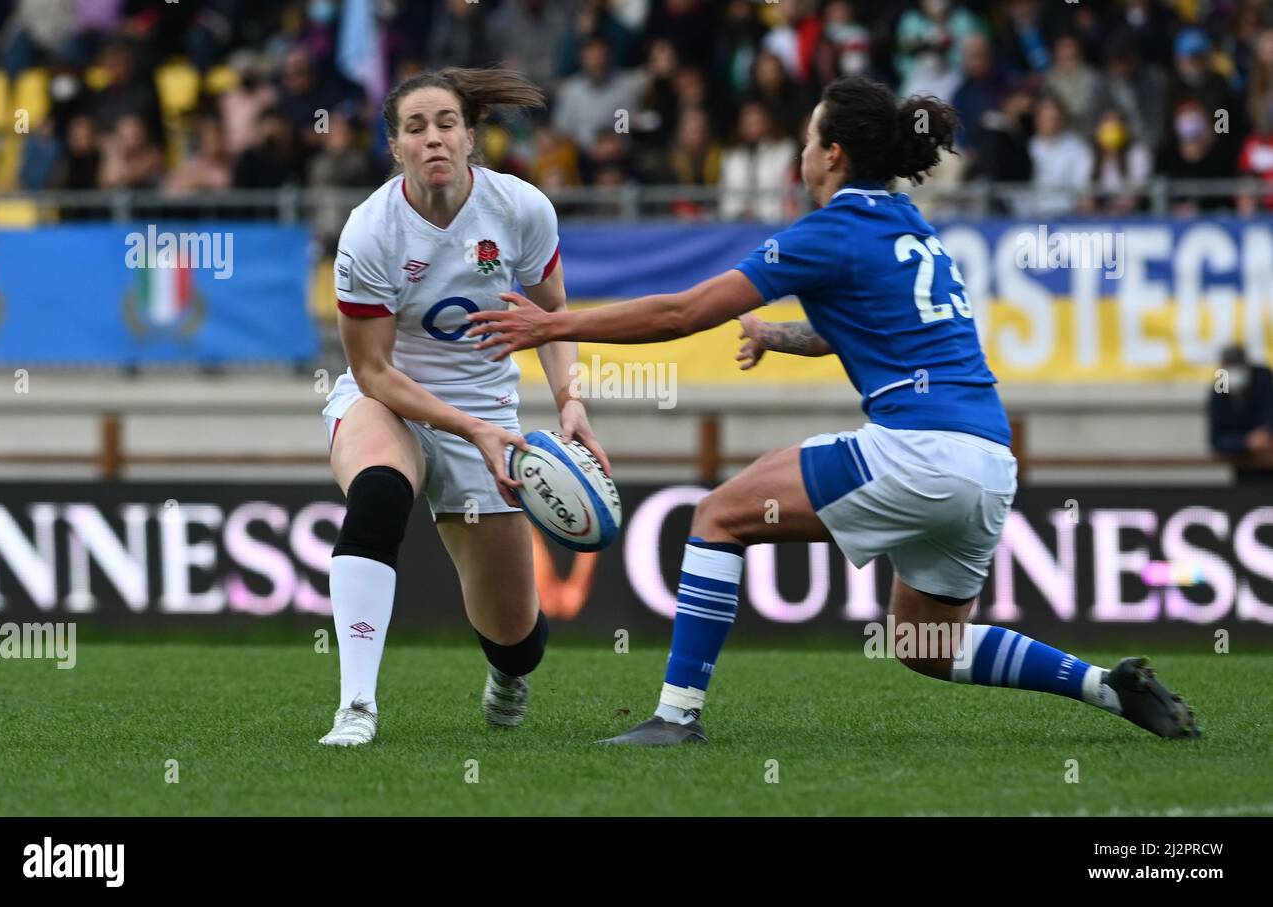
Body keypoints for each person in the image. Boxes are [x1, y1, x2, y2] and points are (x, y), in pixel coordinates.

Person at [469, 77, 1200, 746]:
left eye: (808, 140)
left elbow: (684, 311)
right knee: (927, 647)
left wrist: (551, 325)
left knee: (716, 516)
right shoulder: (908, 223)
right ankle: (1109, 686)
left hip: (920, 450)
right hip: (987, 459)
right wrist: (777, 336)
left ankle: (675, 717)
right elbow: (862, 322)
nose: (800, 154)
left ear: (833, 153)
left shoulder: (831, 230)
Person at [317, 67, 610, 746]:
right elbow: (374, 370)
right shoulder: (369, 231)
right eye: (415, 127)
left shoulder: (522, 209)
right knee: (380, 494)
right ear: (395, 148)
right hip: (388, 399)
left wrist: (571, 402)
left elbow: (553, 316)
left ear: (471, 136)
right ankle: (356, 706)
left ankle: (507, 672)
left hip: (486, 410)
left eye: (446, 123)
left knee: (516, 641)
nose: (434, 138)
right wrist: (471, 429)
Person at [1209, 345, 1273, 485]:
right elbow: (1216, 439)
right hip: (1244, 466)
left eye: (1238, 367)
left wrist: (1266, 433)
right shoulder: (1220, 390)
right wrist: (1245, 441)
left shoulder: (1265, 380)